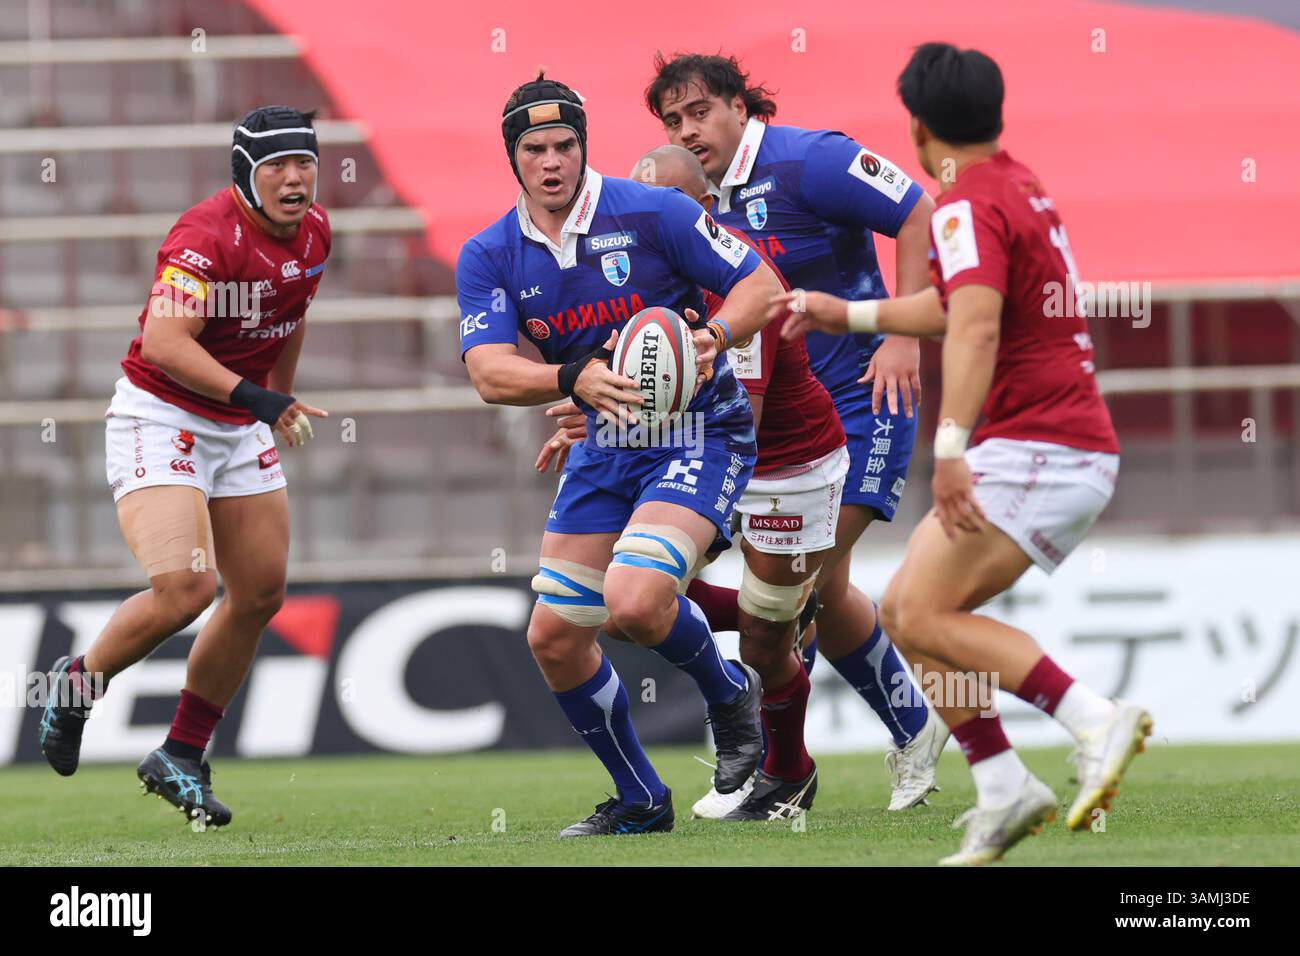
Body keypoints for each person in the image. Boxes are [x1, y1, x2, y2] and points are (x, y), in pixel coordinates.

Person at [776, 43, 1152, 865]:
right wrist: (849, 313)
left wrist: (948, 446)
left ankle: (1095, 718)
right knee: (912, 610)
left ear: (917, 125)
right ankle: (1002, 782)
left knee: (921, 613)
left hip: (1040, 444)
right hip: (1060, 442)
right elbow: (956, 307)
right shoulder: (1017, 184)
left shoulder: (964, 205)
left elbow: (975, 327)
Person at [458, 73, 783, 836]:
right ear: (513, 156)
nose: (552, 161)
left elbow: (761, 285)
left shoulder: (655, 211)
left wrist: (716, 336)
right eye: (534, 148)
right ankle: (641, 799)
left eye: (565, 144)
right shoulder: (490, 255)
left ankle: (730, 696)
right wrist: (569, 379)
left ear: (583, 147)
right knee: (555, 639)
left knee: (635, 602)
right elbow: (487, 372)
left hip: (698, 430)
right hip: (606, 447)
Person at [645, 52, 948, 812]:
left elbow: (916, 209)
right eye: (673, 119)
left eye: (700, 111)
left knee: (798, 590)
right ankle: (913, 728)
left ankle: (771, 770)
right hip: (772, 418)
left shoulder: (811, 160)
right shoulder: (688, 204)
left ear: (741, 107)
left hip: (863, 395)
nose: (689, 129)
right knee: (826, 589)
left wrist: (904, 333)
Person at [37, 105, 331, 829]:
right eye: (276, 168)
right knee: (187, 588)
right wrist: (260, 397)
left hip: (238, 419)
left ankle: (181, 754)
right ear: (244, 173)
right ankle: (76, 688)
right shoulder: (206, 236)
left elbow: (286, 319)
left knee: (260, 593)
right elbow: (166, 342)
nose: (294, 180)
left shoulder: (317, 232)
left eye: (305, 165)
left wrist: (277, 399)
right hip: (161, 416)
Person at [539, 145, 848, 821]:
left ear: (703, 213)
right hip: (698, 458)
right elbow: (640, 391)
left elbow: (748, 419)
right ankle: (783, 647)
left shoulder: (734, 301)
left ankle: (798, 769)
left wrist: (701, 524)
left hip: (786, 468)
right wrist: (590, 415)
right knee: (628, 605)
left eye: (669, 207)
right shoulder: (645, 302)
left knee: (758, 634)